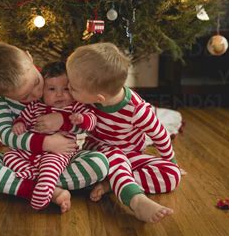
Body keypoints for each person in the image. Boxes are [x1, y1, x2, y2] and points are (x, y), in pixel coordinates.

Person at [0, 43, 109, 209]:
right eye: (25, 97)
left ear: (29, 57)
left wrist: (62, 120)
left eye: (37, 83)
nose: (37, 94)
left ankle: (15, 184)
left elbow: (86, 122)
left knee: (99, 163)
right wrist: (46, 143)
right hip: (23, 156)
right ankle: (46, 190)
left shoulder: (55, 78)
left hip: (61, 157)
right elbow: (7, 135)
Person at [66, 43, 182, 223]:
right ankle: (135, 200)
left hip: (131, 157)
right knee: (115, 155)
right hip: (98, 154)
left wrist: (170, 160)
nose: (69, 89)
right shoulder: (85, 102)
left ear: (99, 99)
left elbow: (160, 135)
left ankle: (112, 183)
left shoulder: (138, 110)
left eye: (73, 88)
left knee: (172, 175)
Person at [4, 61, 97, 213]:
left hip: (58, 153)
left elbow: (92, 121)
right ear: (42, 91)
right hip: (30, 152)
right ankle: (47, 185)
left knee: (50, 167)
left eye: (66, 89)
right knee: (9, 156)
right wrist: (19, 124)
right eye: (52, 89)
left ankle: (42, 190)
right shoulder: (35, 107)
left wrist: (82, 119)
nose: (59, 94)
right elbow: (23, 119)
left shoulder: (74, 107)